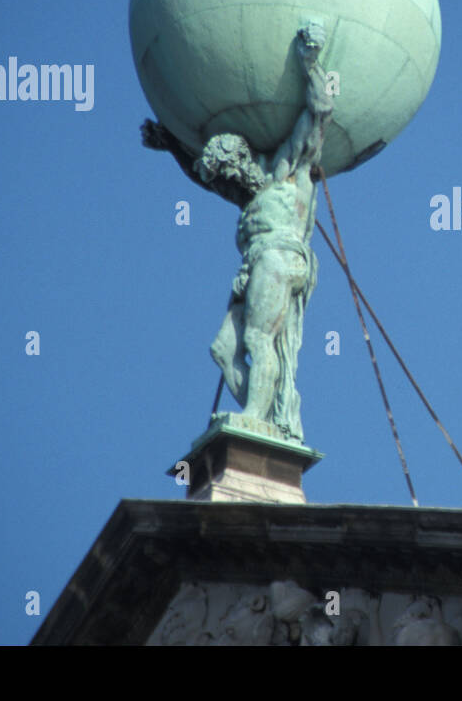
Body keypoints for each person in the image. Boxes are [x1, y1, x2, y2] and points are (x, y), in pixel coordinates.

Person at [142, 25, 332, 443]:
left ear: (241, 161)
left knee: (259, 336)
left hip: (281, 258)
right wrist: (171, 145)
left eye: (225, 175)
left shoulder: (285, 172)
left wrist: (309, 63)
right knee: (223, 350)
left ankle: (256, 415)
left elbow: (320, 111)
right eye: (219, 180)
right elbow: (199, 178)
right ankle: (263, 418)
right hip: (255, 264)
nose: (222, 186)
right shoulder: (246, 195)